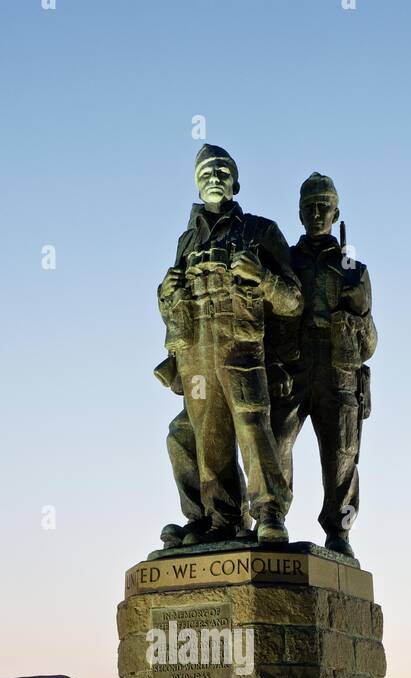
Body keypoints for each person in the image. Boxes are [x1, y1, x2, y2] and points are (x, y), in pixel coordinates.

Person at [156, 144, 302, 547]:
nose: (214, 176)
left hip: (242, 349)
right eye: (205, 171)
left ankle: (270, 513)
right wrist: (165, 294)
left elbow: (293, 301)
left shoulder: (261, 230)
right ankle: (218, 520)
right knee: (205, 437)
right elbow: (176, 306)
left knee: (253, 428)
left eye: (222, 170)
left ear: (236, 181)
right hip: (196, 355)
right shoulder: (186, 242)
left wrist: (263, 278)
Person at [272, 172, 377, 557]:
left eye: (323, 206)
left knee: (342, 456)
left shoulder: (355, 269)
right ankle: (272, 516)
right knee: (276, 441)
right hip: (293, 362)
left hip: (338, 368)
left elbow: (369, 345)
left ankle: (339, 531)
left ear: (336, 212)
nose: (317, 213)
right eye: (309, 207)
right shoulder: (285, 260)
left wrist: (357, 308)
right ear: (299, 214)